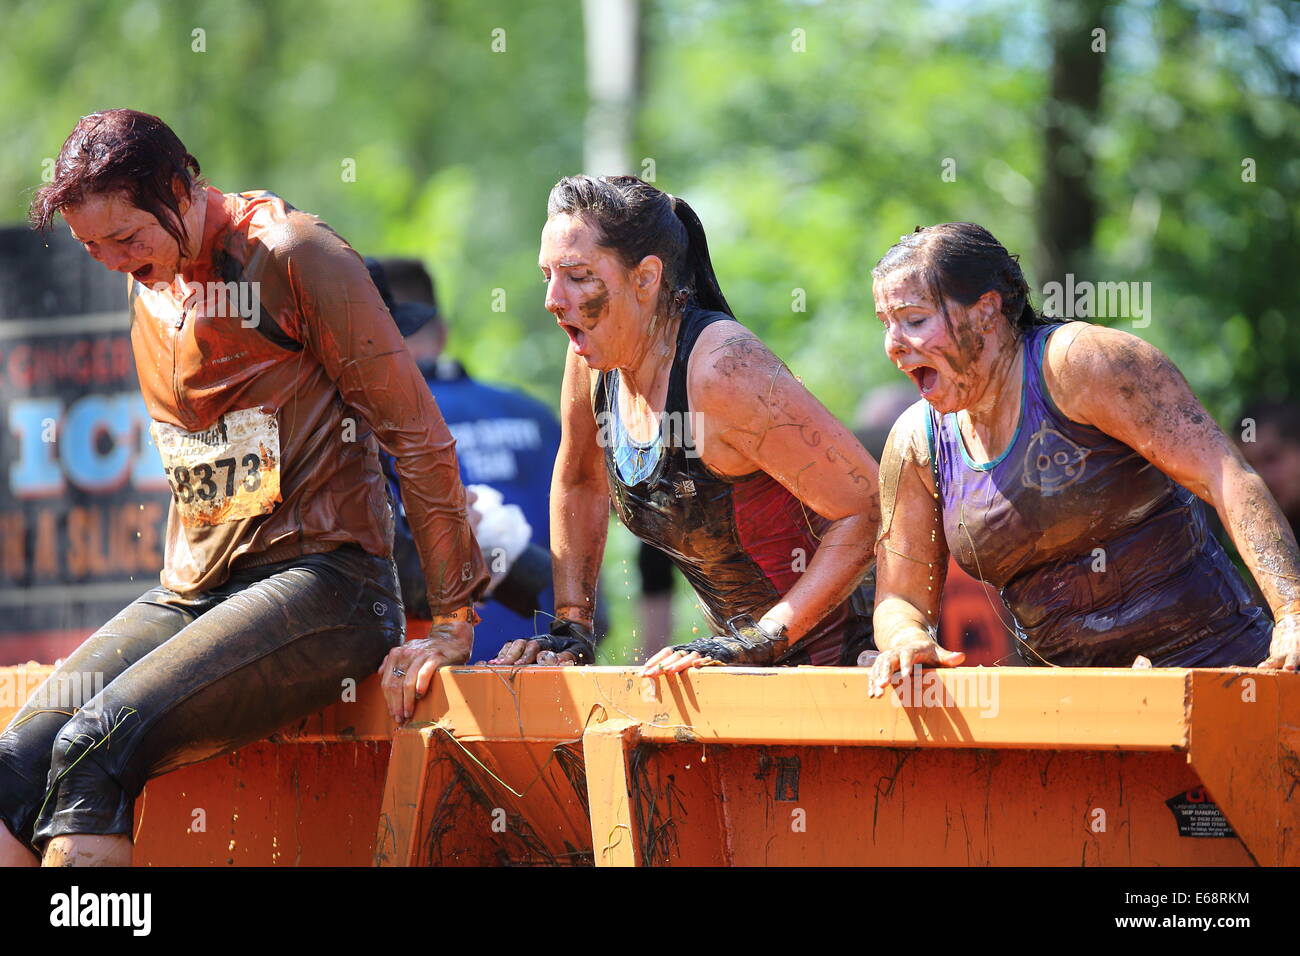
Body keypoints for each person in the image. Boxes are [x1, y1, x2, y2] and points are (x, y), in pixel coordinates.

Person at [0, 109, 487, 867]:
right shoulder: (147, 280)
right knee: (15, 762)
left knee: (91, 748)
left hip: (328, 584)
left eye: (127, 238)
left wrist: (453, 617)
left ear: (178, 187)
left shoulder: (294, 254)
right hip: (196, 590)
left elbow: (418, 437)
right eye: (92, 247)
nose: (114, 262)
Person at [868, 222, 1300, 695]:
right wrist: (906, 638)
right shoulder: (917, 441)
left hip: (1223, 669)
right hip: (1073, 704)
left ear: (986, 311)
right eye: (885, 324)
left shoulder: (1080, 364)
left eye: (914, 320)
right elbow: (899, 596)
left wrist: (1292, 610)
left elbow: (1226, 475)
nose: (893, 345)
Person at [491, 175, 879, 673]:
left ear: (646, 277)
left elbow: (868, 508)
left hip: (856, 662)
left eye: (576, 274)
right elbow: (581, 477)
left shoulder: (724, 370)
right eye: (547, 274)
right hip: (748, 665)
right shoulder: (590, 358)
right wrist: (572, 627)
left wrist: (762, 637)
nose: (552, 298)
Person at [363, 257, 583, 663]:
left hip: (427, 681)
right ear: (442, 333)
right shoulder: (535, 414)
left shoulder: (387, 421)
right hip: (547, 661)